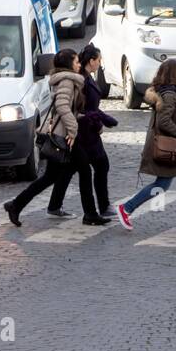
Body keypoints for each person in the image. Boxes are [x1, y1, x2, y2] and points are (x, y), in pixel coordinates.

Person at [4, 49, 93, 225]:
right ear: (69, 64)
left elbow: (67, 109)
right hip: (65, 136)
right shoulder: (68, 80)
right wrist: (73, 129)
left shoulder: (63, 79)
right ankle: (90, 214)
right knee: (84, 169)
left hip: (61, 133)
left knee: (51, 176)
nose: (79, 64)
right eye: (76, 61)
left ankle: (16, 204)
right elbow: (62, 106)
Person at [116, 58, 176, 230]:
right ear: (173, 75)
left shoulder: (167, 92)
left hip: (173, 147)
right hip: (170, 147)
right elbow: (164, 122)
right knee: (162, 184)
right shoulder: (170, 96)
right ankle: (126, 208)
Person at [75, 45, 117, 220]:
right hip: (86, 132)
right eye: (99, 60)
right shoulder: (82, 80)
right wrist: (100, 122)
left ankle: (101, 207)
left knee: (61, 174)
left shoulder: (87, 78)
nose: (100, 63)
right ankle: (101, 207)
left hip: (89, 131)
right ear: (91, 61)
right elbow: (85, 108)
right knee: (100, 166)